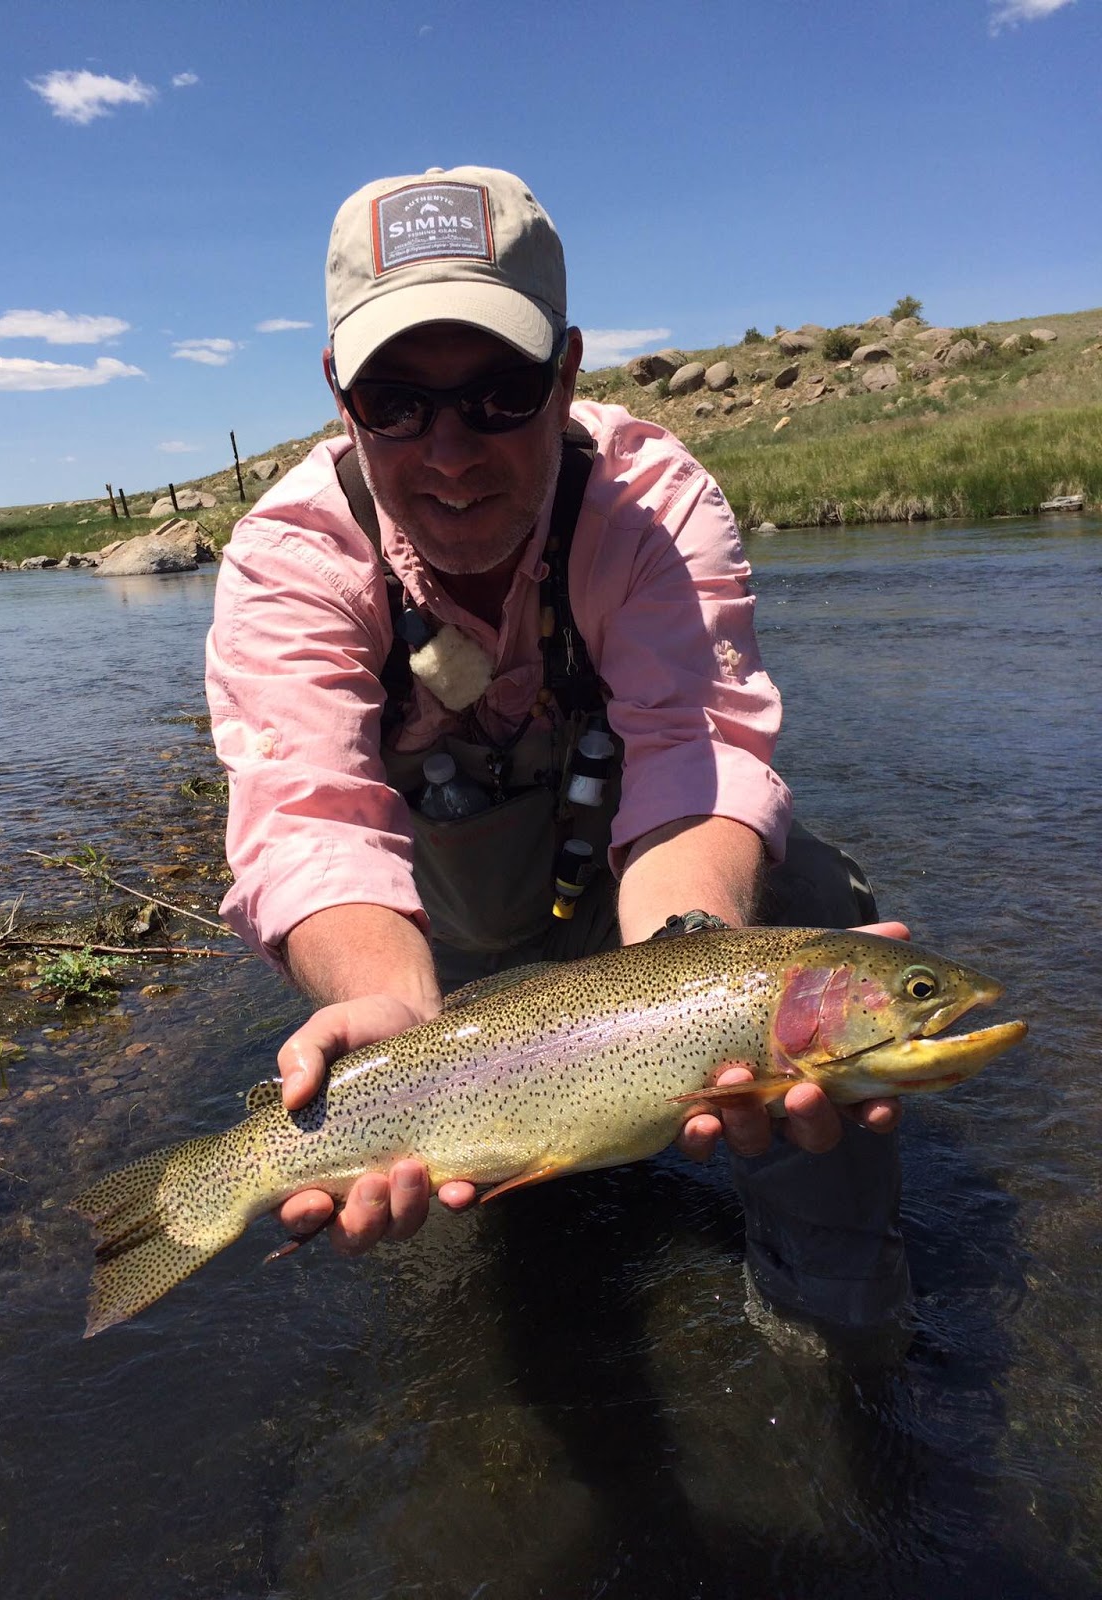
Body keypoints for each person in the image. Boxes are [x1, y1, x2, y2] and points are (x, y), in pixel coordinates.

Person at [205, 165, 911, 1344]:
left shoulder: (650, 506)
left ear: (567, 373)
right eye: (397, 402)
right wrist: (391, 1010)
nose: (449, 452)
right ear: (341, 396)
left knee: (813, 918)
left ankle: (836, 1320)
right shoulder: (289, 561)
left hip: (635, 920)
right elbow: (308, 821)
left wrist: (704, 987)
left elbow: (696, 754)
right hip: (433, 970)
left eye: (498, 394)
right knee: (501, 1271)